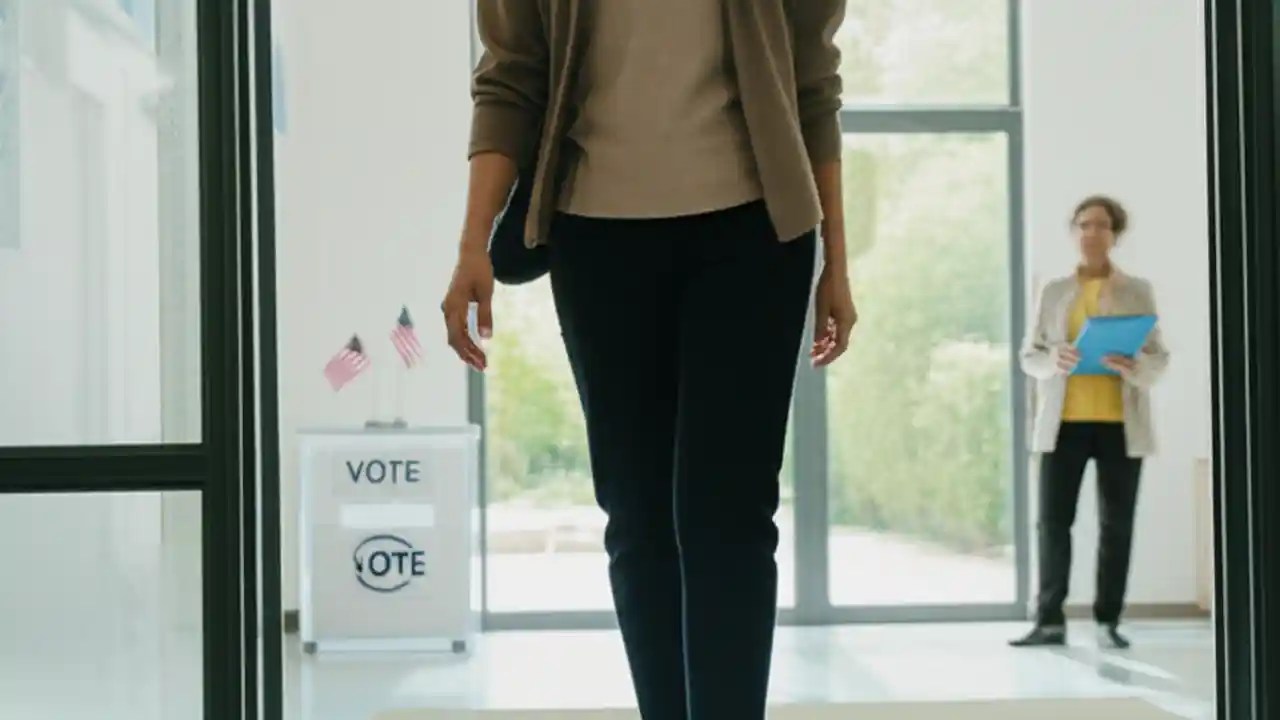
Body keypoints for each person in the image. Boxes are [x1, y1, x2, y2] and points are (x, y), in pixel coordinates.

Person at [442, 2, 854, 717]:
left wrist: (837, 265)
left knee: (727, 514)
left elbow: (813, 86)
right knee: (636, 516)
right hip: (595, 235)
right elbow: (509, 81)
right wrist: (472, 242)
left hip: (755, 232)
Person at [1012, 196, 1169, 650]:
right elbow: (1029, 356)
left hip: (1120, 424)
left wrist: (1132, 364)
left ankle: (1107, 620)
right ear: (1074, 231)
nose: (1091, 233)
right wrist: (1053, 359)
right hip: (1063, 424)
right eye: (1083, 224)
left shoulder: (1137, 290)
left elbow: (1158, 358)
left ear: (1115, 234)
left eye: (1100, 225)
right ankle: (1049, 620)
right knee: (1053, 523)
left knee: (1116, 524)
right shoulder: (1055, 290)